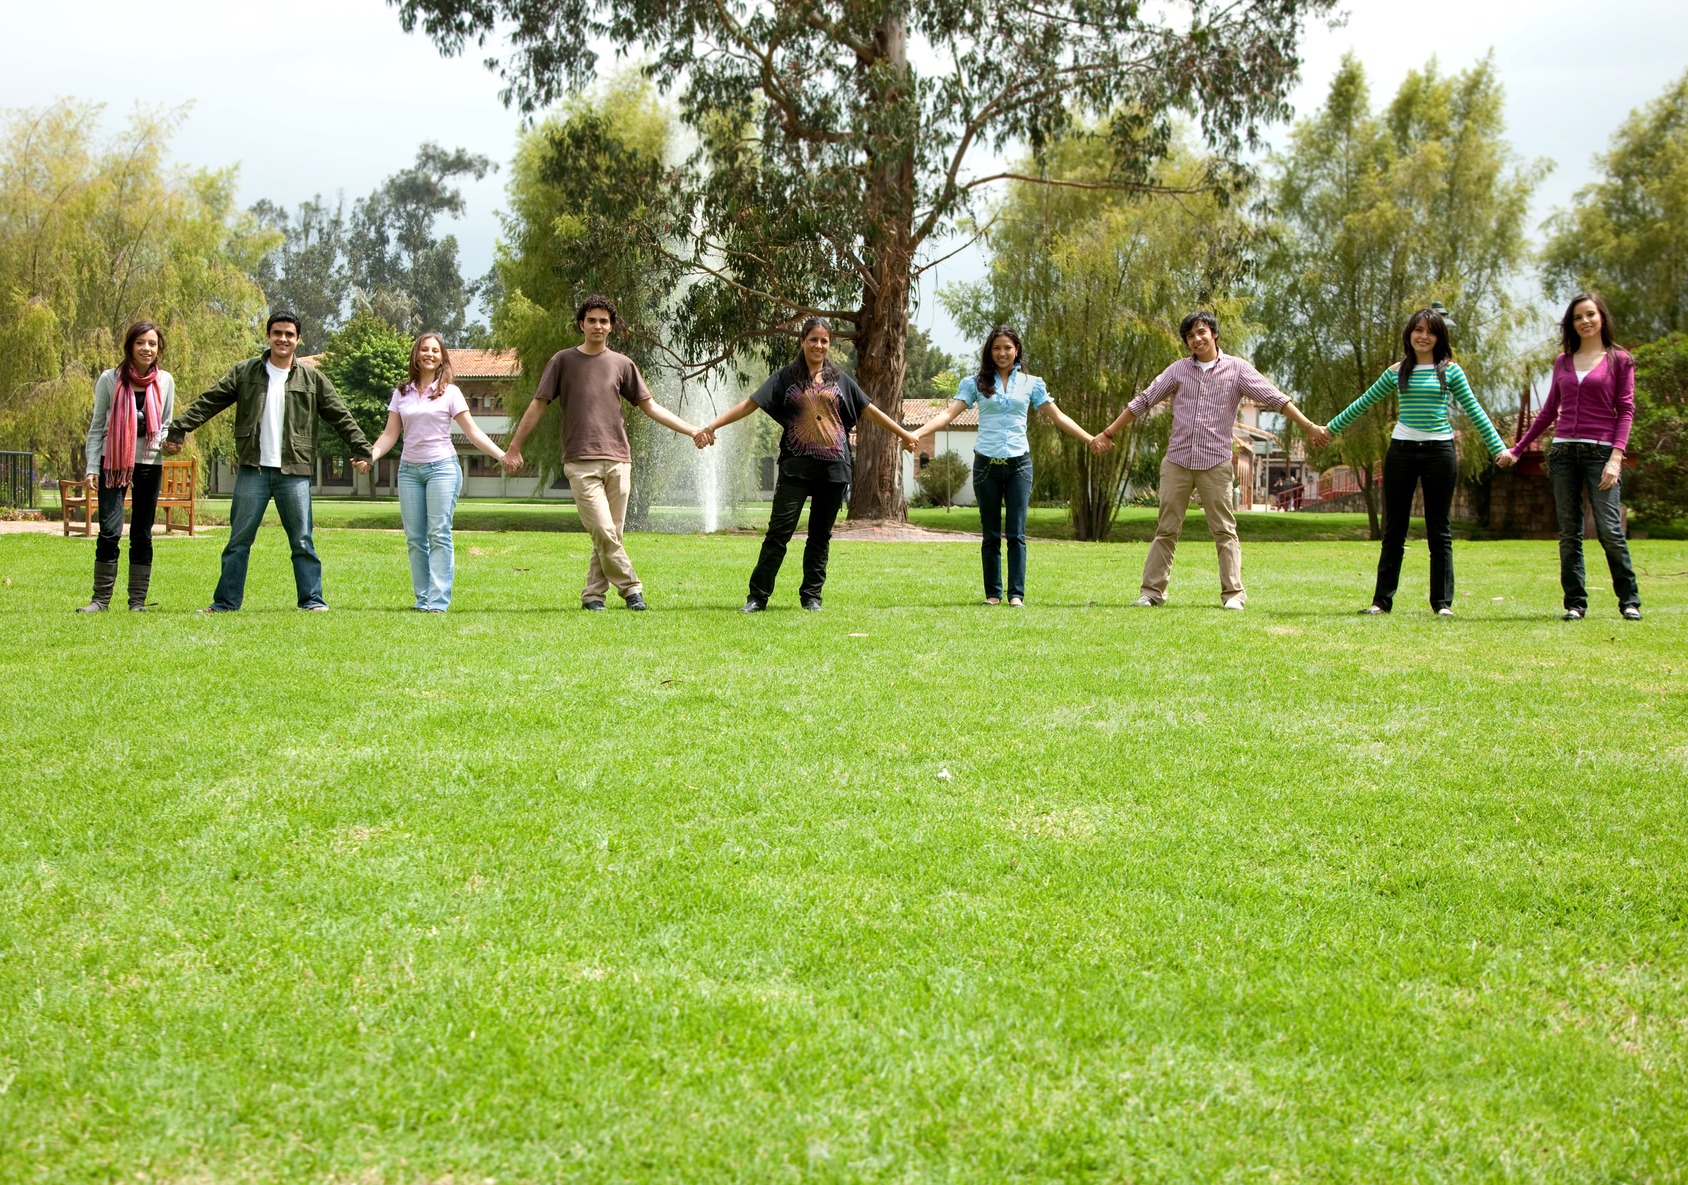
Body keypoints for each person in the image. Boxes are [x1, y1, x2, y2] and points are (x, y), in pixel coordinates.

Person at [1090, 311, 1327, 609]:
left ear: (1214, 334)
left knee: (1224, 530)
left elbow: (1275, 398)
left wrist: (1309, 427)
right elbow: (1144, 400)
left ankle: (1233, 595)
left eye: (1201, 332)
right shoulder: (1177, 371)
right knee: (1166, 529)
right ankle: (1151, 593)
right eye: (1190, 336)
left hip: (1215, 463)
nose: (1196, 339)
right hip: (1177, 461)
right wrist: (1108, 433)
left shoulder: (1237, 369)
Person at [501, 294, 708, 611]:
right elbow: (538, 404)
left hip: (618, 460)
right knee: (602, 530)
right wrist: (515, 445)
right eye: (592, 320)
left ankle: (593, 596)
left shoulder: (623, 365)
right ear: (581, 324)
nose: (598, 325)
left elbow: (650, 406)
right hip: (580, 461)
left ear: (611, 326)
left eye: (604, 321)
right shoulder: (563, 361)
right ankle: (631, 589)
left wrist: (691, 429)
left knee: (610, 535)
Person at [699, 316, 920, 612]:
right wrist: (713, 426)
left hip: (834, 469)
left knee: (819, 537)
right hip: (795, 468)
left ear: (829, 344)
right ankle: (757, 598)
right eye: (813, 339)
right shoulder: (785, 377)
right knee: (778, 534)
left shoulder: (840, 380)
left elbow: (869, 410)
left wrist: (904, 433)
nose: (819, 345)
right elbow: (750, 403)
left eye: (824, 340)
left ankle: (811, 597)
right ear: (802, 341)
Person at [165, 311, 372, 612]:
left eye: (289, 334)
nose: (283, 339)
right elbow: (209, 401)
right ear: (268, 336)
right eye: (277, 333)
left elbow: (340, 415)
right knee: (238, 541)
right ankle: (225, 603)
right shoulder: (245, 372)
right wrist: (179, 428)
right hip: (253, 470)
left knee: (302, 540)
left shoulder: (312, 379)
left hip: (294, 471)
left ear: (298, 339)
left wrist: (362, 448)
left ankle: (312, 600)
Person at [1318, 307, 1507, 616]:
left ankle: (1442, 603)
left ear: (1439, 337)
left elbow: (1474, 410)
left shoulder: (1451, 371)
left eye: (1430, 331)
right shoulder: (1397, 371)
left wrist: (1498, 448)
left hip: (1440, 453)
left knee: (1439, 529)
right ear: (1409, 335)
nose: (1423, 336)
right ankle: (1381, 601)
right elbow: (1363, 402)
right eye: (1418, 330)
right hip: (1402, 452)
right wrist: (1329, 428)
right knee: (1394, 528)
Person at [911, 325, 1094, 605]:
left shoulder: (1032, 384)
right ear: (989, 351)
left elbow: (1058, 417)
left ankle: (1016, 595)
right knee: (991, 534)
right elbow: (948, 414)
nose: (1002, 353)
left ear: (1017, 350)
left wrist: (1090, 438)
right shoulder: (975, 383)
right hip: (986, 466)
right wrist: (916, 433)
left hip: (1019, 465)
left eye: (1007, 347)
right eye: (996, 348)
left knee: (1017, 533)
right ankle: (993, 594)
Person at [1498, 292, 1640, 621]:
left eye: (1590, 314)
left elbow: (1626, 410)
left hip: (1601, 452)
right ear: (1571, 324)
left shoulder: (1620, 360)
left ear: (1602, 317)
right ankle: (1575, 604)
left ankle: (1629, 600)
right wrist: (1518, 450)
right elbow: (1549, 411)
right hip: (1563, 452)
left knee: (1608, 529)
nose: (1584, 321)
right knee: (1569, 532)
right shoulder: (1563, 360)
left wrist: (1616, 458)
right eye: (1578, 317)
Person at [365, 333, 507, 612]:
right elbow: (390, 434)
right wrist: (370, 456)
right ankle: (423, 599)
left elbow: (473, 432)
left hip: (442, 468)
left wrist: (501, 456)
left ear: (442, 357)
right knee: (415, 538)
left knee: (439, 533)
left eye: (435, 350)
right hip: (408, 471)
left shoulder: (450, 392)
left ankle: (438, 601)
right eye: (424, 349)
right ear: (416, 355)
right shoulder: (402, 392)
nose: (429, 354)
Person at [77, 321, 176, 612]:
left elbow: (166, 424)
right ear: (130, 346)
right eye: (141, 343)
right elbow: (97, 427)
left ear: (159, 348)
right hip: (114, 463)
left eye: (153, 343)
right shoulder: (110, 379)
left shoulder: (166, 381)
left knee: (142, 533)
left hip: (149, 462)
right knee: (109, 530)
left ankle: (137, 601)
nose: (147, 348)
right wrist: (92, 466)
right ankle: (101, 600)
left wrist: (169, 443)